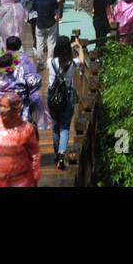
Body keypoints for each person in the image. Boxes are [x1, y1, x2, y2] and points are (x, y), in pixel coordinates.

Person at [46, 36, 85, 168]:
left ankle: (57, 154)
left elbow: (51, 56)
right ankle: (62, 153)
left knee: (55, 125)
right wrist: (78, 48)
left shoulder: (50, 62)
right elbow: (82, 61)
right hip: (67, 98)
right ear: (68, 49)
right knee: (64, 126)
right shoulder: (72, 63)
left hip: (52, 98)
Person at [31, 0, 62, 67]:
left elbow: (34, 8)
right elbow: (56, 8)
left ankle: (40, 62)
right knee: (51, 43)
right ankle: (50, 62)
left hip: (40, 22)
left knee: (39, 43)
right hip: (51, 22)